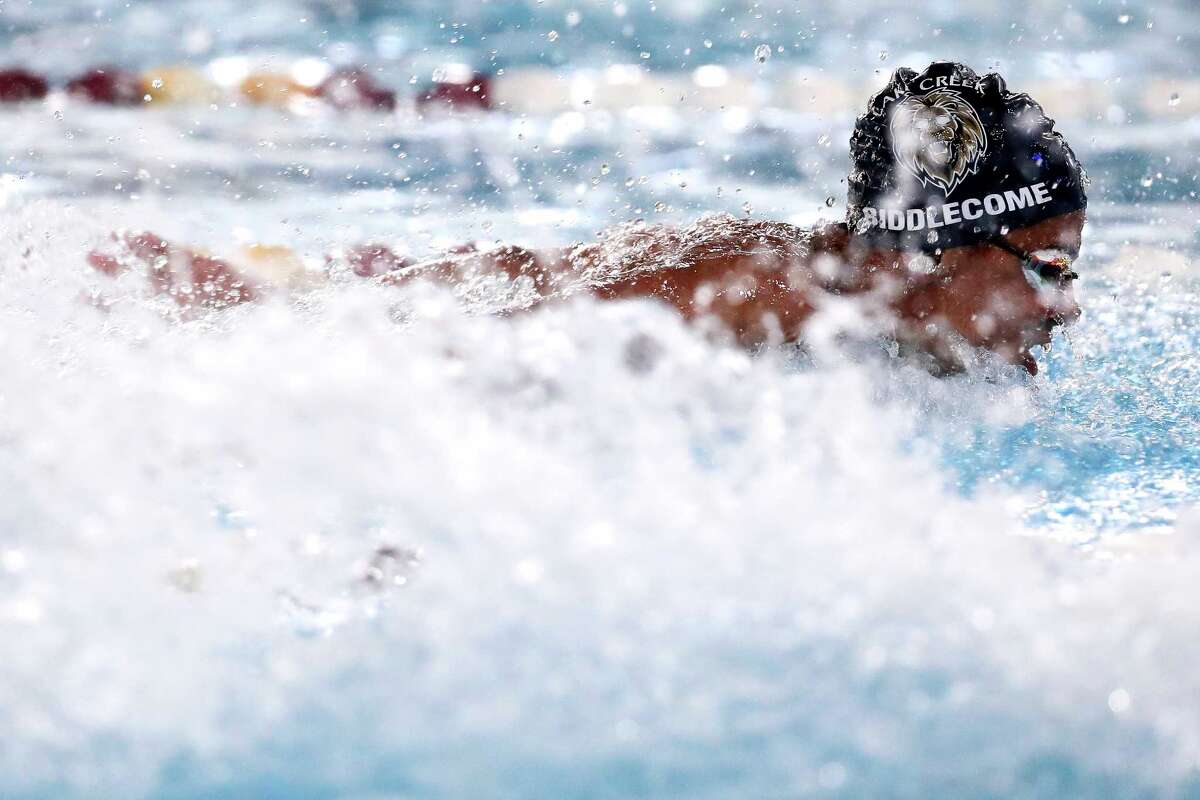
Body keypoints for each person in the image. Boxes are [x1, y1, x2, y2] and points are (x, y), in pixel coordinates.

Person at [88, 61, 1087, 375]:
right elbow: (439, 368)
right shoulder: (749, 293)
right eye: (1046, 266)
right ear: (931, 249)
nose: (1066, 306)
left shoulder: (878, 311)